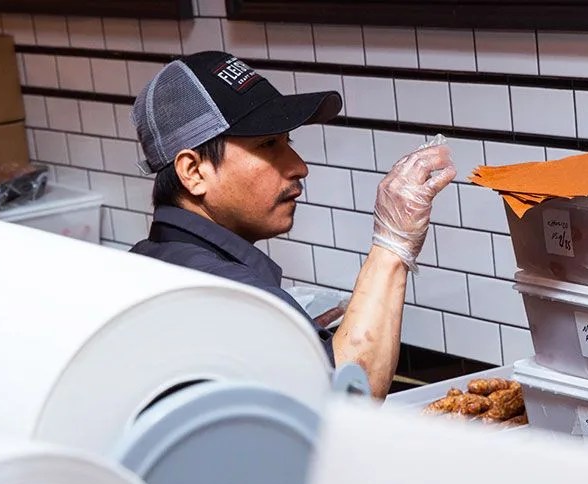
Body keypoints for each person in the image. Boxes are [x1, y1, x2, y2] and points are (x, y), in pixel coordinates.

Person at [128, 51, 455, 398]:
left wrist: (291, 342)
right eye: (268, 144)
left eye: (289, 142)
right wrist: (393, 244)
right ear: (193, 172)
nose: (299, 166)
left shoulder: (146, 260)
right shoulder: (229, 294)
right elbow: (348, 400)